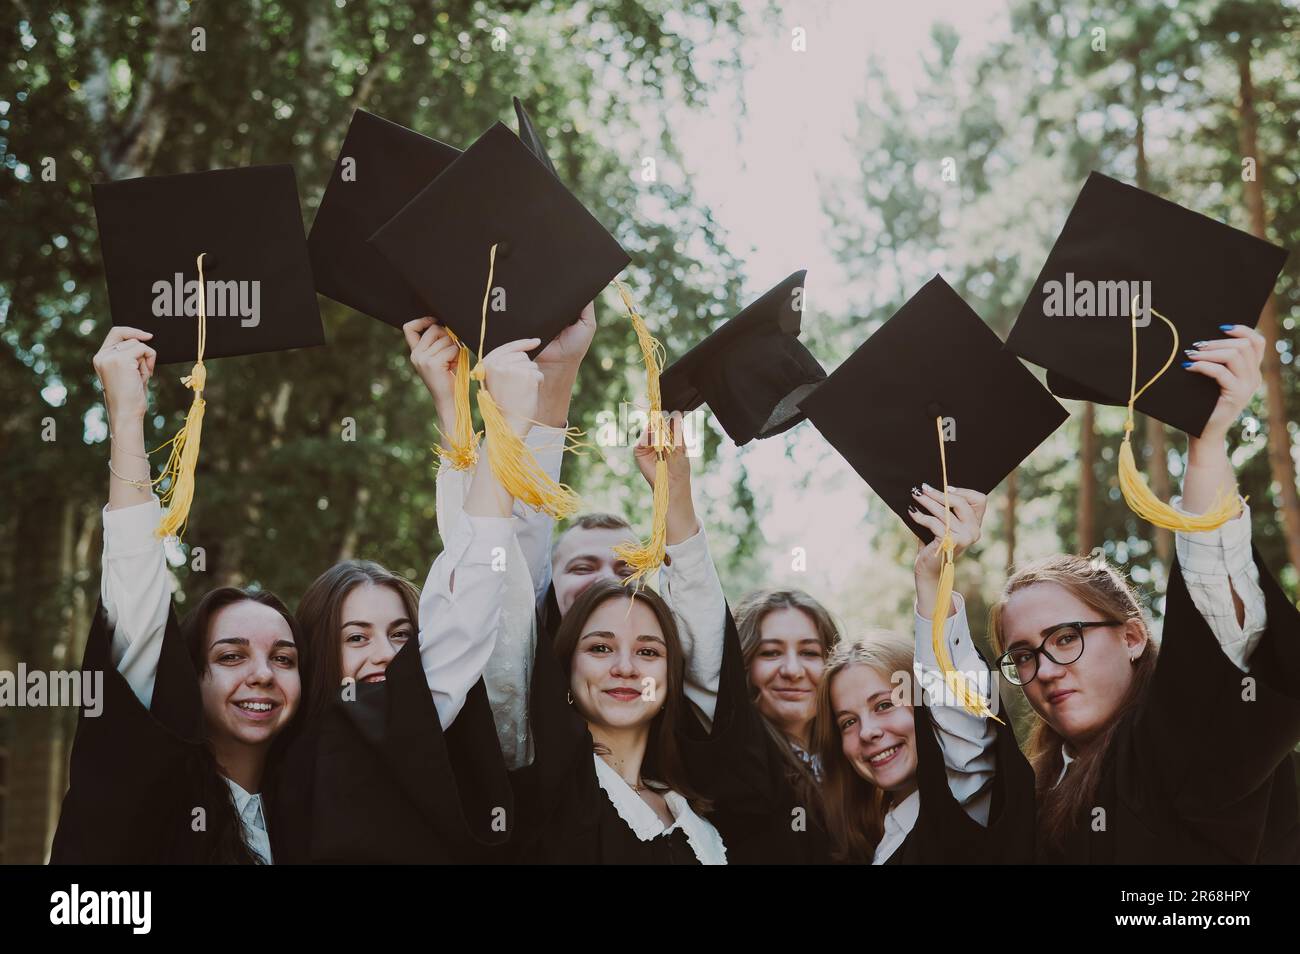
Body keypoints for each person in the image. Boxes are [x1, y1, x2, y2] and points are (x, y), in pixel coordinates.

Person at [989, 324, 1300, 863]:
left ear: (1133, 636)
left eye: (1065, 638)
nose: (1045, 670)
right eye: (1022, 656)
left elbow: (1217, 621)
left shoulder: (1173, 741)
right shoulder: (1038, 791)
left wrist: (1205, 446)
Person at [52, 326, 304, 863]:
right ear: (187, 678)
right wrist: (125, 416)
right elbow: (139, 610)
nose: (263, 673)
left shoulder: (317, 813)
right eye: (231, 655)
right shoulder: (152, 799)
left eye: (284, 658)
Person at [814, 485, 1035, 863]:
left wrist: (932, 580)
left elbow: (961, 735)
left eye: (884, 704)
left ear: (926, 703)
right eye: (847, 721)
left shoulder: (963, 807)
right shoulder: (875, 839)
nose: (866, 732)